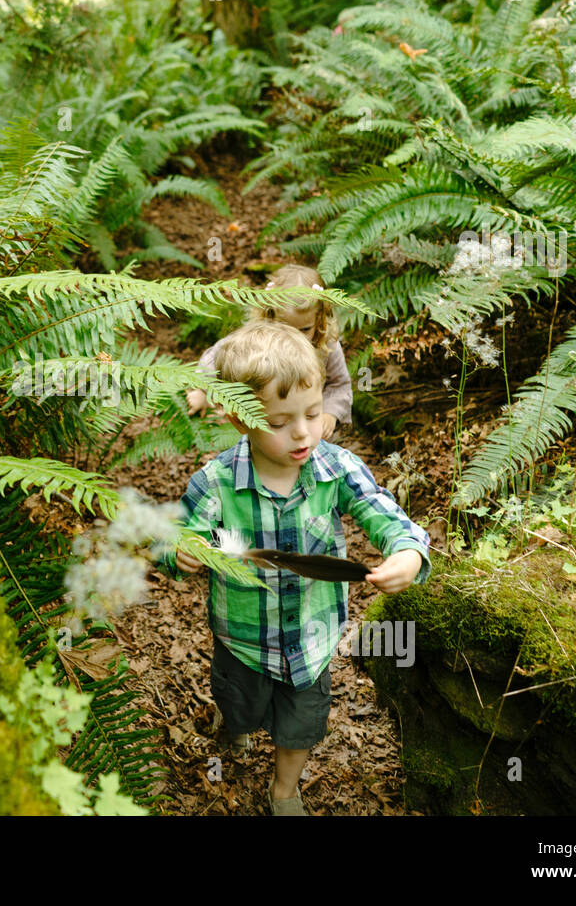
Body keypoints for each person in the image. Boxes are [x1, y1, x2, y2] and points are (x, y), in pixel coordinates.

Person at [166, 320, 430, 816]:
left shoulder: (334, 467)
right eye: (282, 421)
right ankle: (237, 729)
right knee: (240, 706)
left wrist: (407, 550)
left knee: (302, 723)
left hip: (311, 638)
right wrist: (179, 551)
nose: (304, 431)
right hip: (243, 639)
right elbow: (179, 533)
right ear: (241, 420)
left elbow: (380, 509)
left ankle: (283, 790)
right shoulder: (218, 481)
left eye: (311, 413)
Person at [186, 264, 352, 441]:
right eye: (286, 327)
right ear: (270, 316)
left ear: (319, 319)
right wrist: (203, 391)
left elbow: (339, 384)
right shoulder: (257, 338)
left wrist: (330, 413)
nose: (294, 336)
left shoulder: (326, 345)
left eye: (304, 329)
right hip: (270, 426)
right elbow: (217, 355)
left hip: (308, 428)